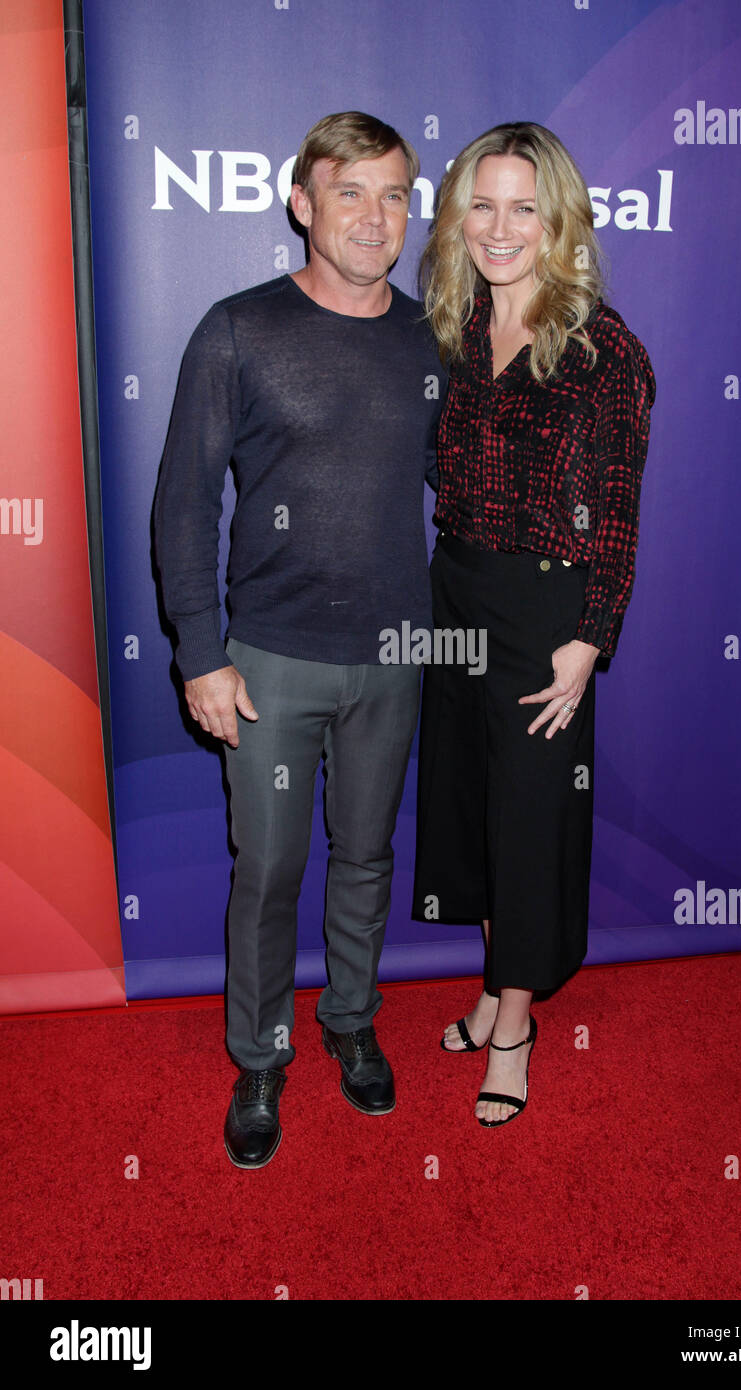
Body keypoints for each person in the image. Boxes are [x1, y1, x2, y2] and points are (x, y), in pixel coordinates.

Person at [153, 112, 446, 1168]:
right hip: (267, 660)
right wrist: (200, 652)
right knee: (269, 870)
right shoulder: (236, 330)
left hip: (395, 658)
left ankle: (351, 1021)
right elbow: (183, 505)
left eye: (394, 195)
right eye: (352, 191)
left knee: (366, 858)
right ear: (301, 201)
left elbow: (466, 497)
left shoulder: (431, 342)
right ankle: (261, 1056)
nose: (376, 218)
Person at [412, 122, 655, 1126]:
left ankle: (513, 1022)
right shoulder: (450, 329)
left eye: (523, 207)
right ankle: (488, 980)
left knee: (525, 815)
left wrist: (590, 633)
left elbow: (623, 506)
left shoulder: (604, 350)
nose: (499, 228)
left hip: (546, 608)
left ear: (557, 221)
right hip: (455, 590)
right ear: (457, 214)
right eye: (481, 203)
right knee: (467, 803)